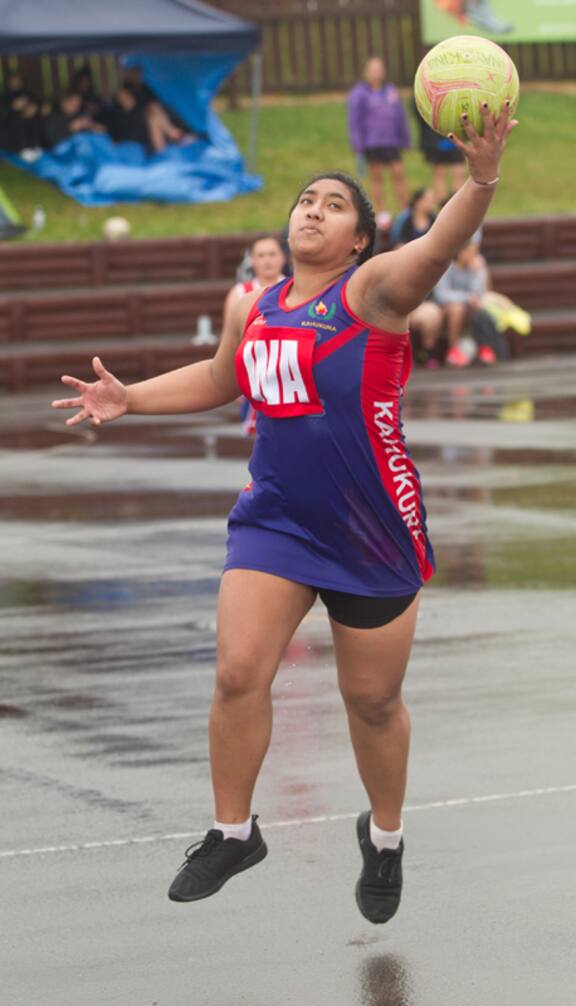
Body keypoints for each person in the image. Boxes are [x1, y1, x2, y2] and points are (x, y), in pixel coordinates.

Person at [52, 102, 516, 924]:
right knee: (237, 672)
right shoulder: (259, 303)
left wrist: (481, 177)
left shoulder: (372, 291)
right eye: (307, 198)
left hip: (371, 529)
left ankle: (385, 838)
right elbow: (224, 376)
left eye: (335, 205)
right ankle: (234, 831)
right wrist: (131, 397)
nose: (313, 209)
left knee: (371, 702)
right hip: (276, 522)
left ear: (358, 240)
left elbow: (440, 245)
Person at [221, 235, 287, 436]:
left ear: (283, 258)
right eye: (261, 255)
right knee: (259, 441)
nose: (267, 260)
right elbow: (228, 341)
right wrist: (230, 382)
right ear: (252, 261)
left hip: (288, 377)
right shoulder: (240, 292)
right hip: (253, 379)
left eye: (272, 254)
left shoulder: (296, 287)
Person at [347, 57, 411, 229]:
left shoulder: (391, 91)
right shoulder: (359, 93)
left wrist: (404, 138)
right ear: (366, 72)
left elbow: (400, 116)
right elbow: (354, 121)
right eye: (373, 69)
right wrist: (358, 144)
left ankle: (405, 210)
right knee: (376, 177)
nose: (376, 73)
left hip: (391, 141)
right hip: (372, 142)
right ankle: (381, 212)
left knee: (398, 173)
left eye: (379, 69)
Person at [433, 238, 508, 366]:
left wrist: (478, 272)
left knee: (482, 309)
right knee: (457, 308)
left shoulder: (475, 267)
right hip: (446, 307)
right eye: (471, 252)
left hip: (471, 307)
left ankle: (486, 349)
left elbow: (480, 293)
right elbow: (441, 295)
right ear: (461, 253)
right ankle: (453, 351)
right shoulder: (447, 268)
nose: (475, 255)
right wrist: (466, 298)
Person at [413, 99, 466, 205]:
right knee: (439, 173)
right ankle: (442, 205)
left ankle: (458, 204)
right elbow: (418, 111)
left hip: (454, 133)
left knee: (458, 171)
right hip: (434, 136)